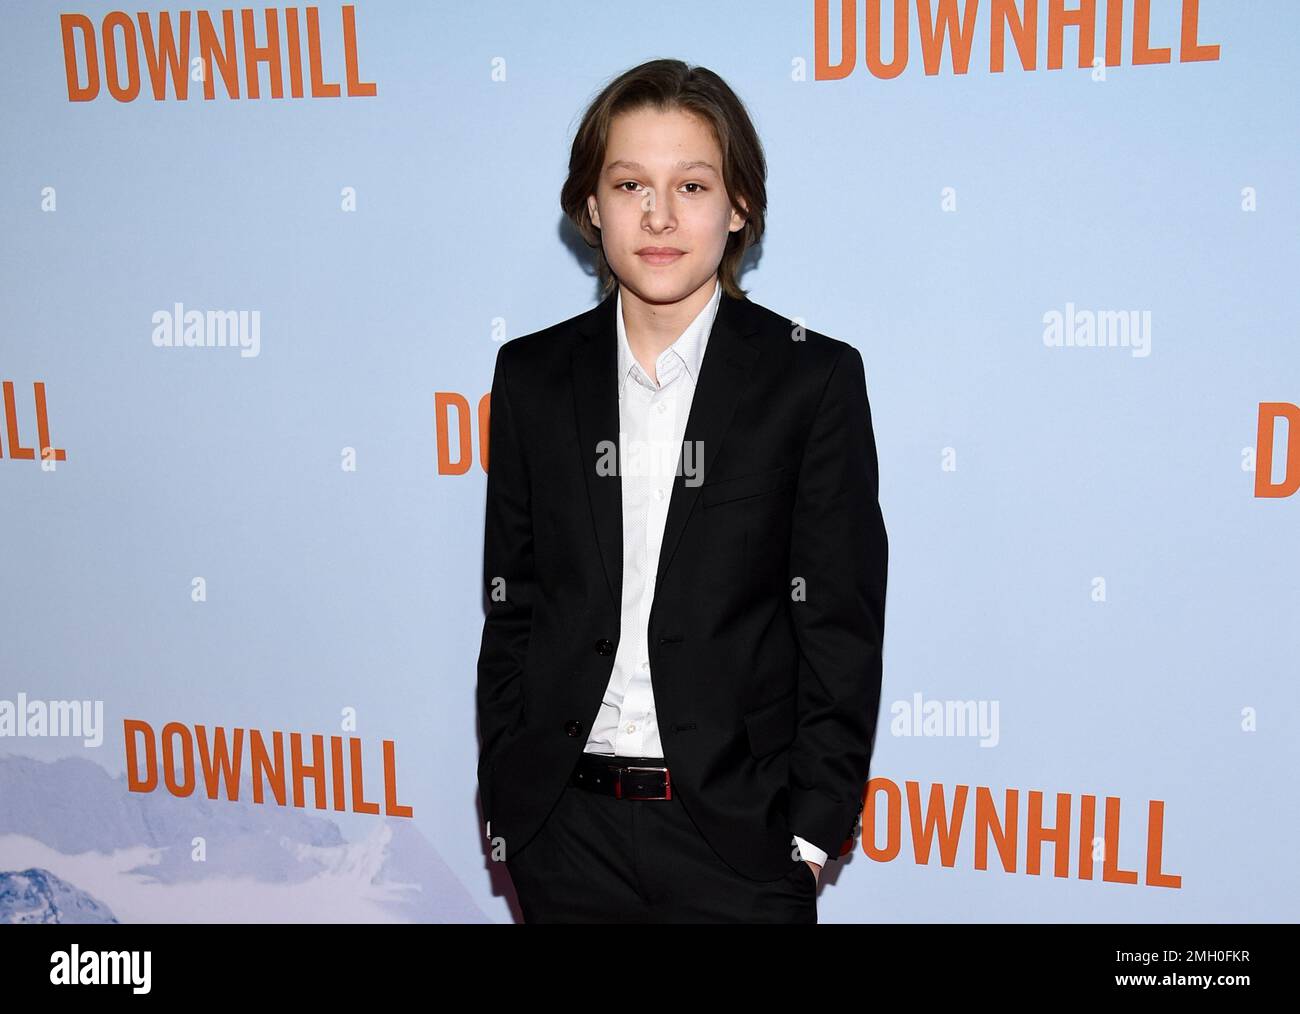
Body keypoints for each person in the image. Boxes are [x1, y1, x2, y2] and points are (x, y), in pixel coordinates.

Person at [476, 58, 888, 923]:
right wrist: (511, 797)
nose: (659, 215)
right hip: (564, 836)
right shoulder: (532, 378)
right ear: (591, 206)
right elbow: (514, 605)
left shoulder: (810, 381)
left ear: (739, 207)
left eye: (692, 185)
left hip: (736, 846)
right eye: (630, 184)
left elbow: (839, 628)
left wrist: (808, 844)